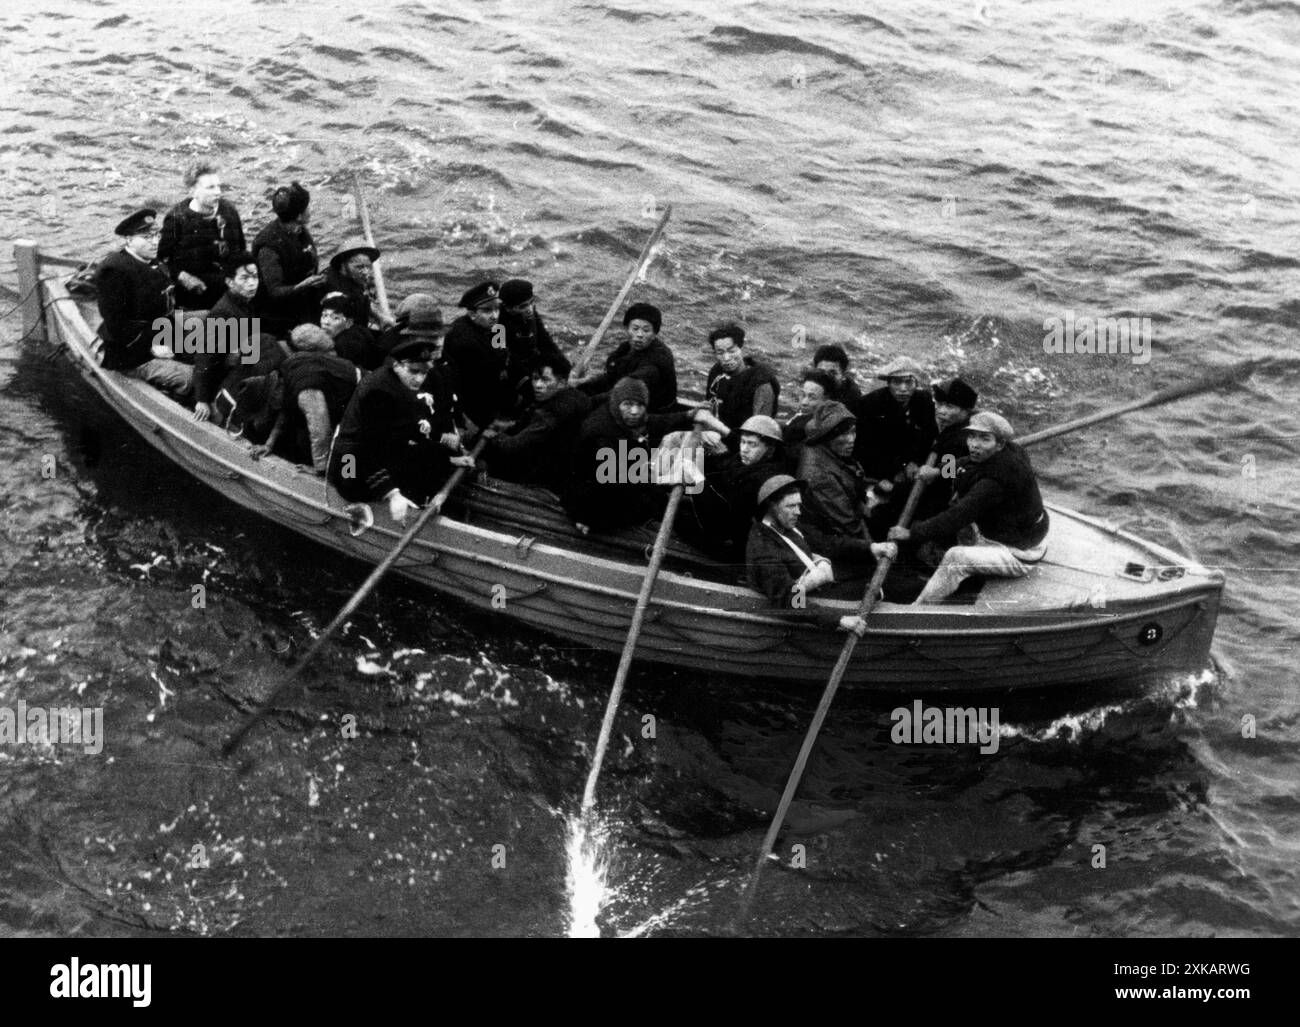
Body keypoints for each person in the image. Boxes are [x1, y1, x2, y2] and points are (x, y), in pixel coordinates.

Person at [888, 412, 1050, 602]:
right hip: (1027, 532)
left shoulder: (993, 482)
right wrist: (938, 471)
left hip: (1019, 553)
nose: (974, 444)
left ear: (1000, 444)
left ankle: (919, 607)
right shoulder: (1013, 450)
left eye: (984, 439)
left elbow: (957, 516)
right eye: (972, 436)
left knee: (956, 557)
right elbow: (967, 462)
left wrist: (911, 533)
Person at [328, 331, 474, 522]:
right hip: (350, 461)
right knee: (355, 485)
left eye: (424, 373)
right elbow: (367, 449)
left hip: (374, 451)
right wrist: (393, 494)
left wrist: (447, 459)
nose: (419, 379)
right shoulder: (380, 392)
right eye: (413, 372)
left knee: (426, 466)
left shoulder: (401, 383)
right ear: (397, 365)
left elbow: (405, 431)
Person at [564, 376, 728, 533]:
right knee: (661, 507)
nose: (634, 411)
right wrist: (668, 479)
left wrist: (688, 415)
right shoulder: (602, 433)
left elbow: (650, 422)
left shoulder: (617, 414)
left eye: (640, 405)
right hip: (595, 500)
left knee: (665, 497)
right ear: (617, 403)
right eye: (628, 404)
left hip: (620, 481)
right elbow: (620, 480)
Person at [745, 474, 897, 634]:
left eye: (798, 505)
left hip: (820, 586)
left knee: (882, 575)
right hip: (809, 600)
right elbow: (790, 600)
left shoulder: (789, 525)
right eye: (791, 506)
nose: (798, 512)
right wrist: (838, 620)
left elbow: (827, 543)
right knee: (895, 587)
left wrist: (871, 547)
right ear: (771, 506)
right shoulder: (763, 549)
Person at [94, 207, 192, 399]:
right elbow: (117, 327)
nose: (155, 242)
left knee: (209, 319)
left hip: (163, 331)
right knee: (190, 377)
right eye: (147, 237)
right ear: (129, 239)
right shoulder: (114, 271)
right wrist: (152, 348)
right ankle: (174, 396)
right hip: (131, 354)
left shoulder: (151, 262)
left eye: (157, 235)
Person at [679, 413, 786, 562]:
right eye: (742, 442)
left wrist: (696, 476)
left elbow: (721, 516)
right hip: (721, 524)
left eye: (751, 444)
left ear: (769, 448)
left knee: (673, 513)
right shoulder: (751, 461)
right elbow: (725, 465)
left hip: (728, 543)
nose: (744, 449)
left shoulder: (763, 480)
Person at [192, 252, 283, 423]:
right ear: (229, 282)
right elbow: (205, 356)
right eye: (244, 278)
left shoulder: (244, 302)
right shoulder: (223, 312)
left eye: (255, 277)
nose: (252, 283)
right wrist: (202, 400)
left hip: (242, 361)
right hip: (227, 375)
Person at [233, 351, 361, 473]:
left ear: (273, 393)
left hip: (362, 397)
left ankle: (344, 475)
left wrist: (319, 467)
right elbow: (284, 409)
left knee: (346, 448)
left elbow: (320, 430)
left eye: (270, 405)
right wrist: (269, 444)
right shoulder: (284, 374)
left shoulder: (305, 393)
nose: (273, 409)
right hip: (344, 390)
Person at [482, 352, 591, 491]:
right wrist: (510, 426)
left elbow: (512, 446)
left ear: (561, 383)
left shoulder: (551, 413)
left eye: (545, 380)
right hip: (567, 464)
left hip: (547, 476)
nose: (538, 385)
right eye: (535, 378)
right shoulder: (578, 397)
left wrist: (494, 436)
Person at [157, 163, 245, 310]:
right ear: (193, 191)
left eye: (218, 186)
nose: (218, 192)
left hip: (228, 293)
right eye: (210, 188)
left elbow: (241, 249)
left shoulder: (229, 211)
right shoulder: (176, 219)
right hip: (194, 296)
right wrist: (182, 276)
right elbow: (159, 260)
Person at [852, 356, 936, 506]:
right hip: (879, 470)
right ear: (889, 383)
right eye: (897, 382)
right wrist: (901, 467)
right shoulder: (869, 405)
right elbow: (864, 448)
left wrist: (916, 463)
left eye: (909, 382)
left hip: (914, 469)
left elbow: (929, 436)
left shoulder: (924, 401)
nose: (903, 388)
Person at [251, 181, 327, 335]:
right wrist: (302, 286)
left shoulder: (299, 231)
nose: (310, 210)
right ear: (298, 216)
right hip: (278, 316)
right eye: (307, 208)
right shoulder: (269, 247)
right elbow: (274, 291)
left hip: (302, 301)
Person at [573, 302, 677, 412]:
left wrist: (586, 404)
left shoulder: (655, 364)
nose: (640, 335)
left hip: (648, 413)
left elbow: (622, 391)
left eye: (646, 330)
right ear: (627, 329)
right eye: (635, 328)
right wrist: (583, 382)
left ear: (654, 334)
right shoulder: (627, 348)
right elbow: (612, 375)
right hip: (625, 395)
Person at [797, 401, 871, 541]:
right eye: (843, 434)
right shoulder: (820, 476)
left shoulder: (826, 449)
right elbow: (849, 525)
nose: (851, 440)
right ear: (827, 436)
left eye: (853, 432)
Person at [442, 281, 509, 435]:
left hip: (490, 384)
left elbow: (501, 355)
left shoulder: (494, 326)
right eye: (487, 311)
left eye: (497, 309)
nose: (495, 316)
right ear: (472, 313)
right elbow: (478, 384)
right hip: (470, 400)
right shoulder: (464, 341)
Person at [498, 279, 564, 410]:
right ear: (508, 308)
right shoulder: (497, 327)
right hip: (511, 373)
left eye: (531, 303)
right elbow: (504, 359)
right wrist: (533, 386)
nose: (529, 309)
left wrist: (564, 368)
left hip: (531, 363)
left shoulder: (531, 314)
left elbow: (546, 343)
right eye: (522, 306)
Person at [704, 324, 780, 436]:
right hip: (717, 435)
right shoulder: (717, 371)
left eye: (731, 351)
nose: (726, 358)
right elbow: (709, 408)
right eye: (720, 353)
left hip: (745, 443)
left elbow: (759, 432)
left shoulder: (761, 382)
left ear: (742, 348)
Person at [323, 238, 386, 329]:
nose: (366, 272)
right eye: (359, 267)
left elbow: (363, 299)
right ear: (343, 265)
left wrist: (381, 317)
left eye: (368, 266)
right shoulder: (334, 291)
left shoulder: (353, 277)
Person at [321, 291, 386, 371]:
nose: (326, 322)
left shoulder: (346, 345)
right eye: (324, 315)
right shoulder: (359, 330)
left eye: (335, 318)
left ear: (349, 322)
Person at [783, 367, 838, 454]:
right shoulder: (807, 415)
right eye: (803, 395)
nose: (804, 402)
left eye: (812, 397)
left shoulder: (809, 428)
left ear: (827, 400)